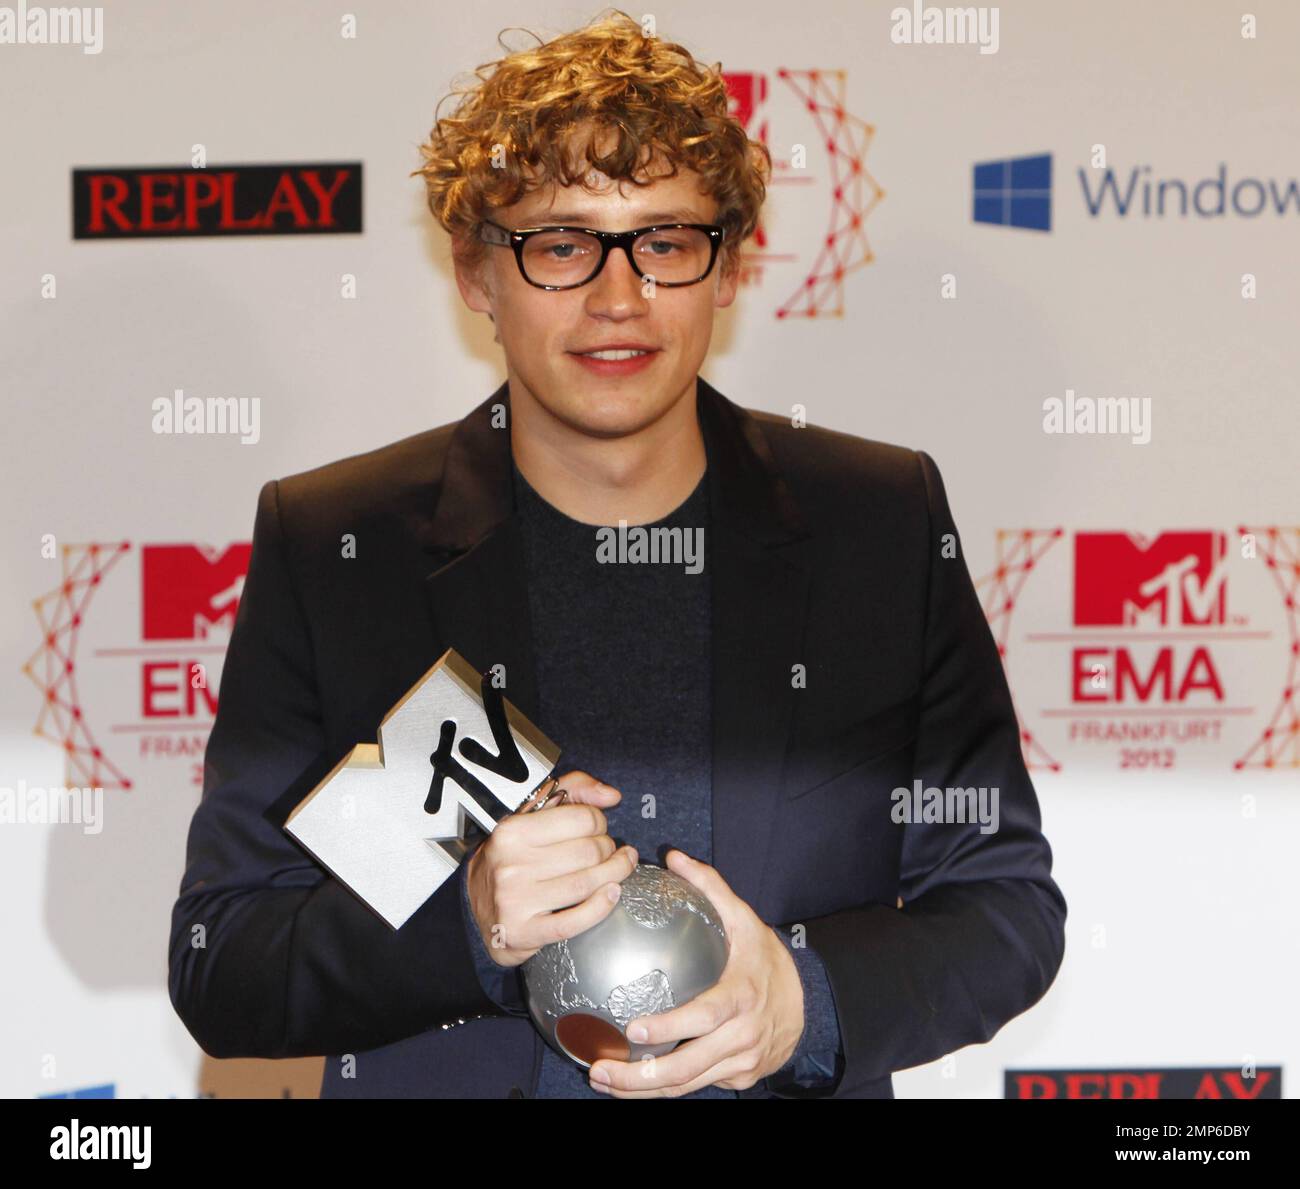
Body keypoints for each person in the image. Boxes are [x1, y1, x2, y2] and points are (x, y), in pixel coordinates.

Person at [168, 10, 1066, 1099]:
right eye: (558, 245)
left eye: (665, 242)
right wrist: (469, 924)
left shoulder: (874, 523)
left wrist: (805, 1003)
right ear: (473, 275)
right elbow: (225, 961)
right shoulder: (341, 548)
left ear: (726, 268)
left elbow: (1003, 903)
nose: (617, 297)